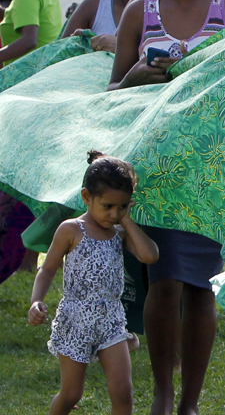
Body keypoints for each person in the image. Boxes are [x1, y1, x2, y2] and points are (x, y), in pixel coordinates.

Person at [107, 0, 225, 415]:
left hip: (214, 170)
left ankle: (189, 402)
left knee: (200, 291)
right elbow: (112, 94)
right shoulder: (138, 11)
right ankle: (162, 395)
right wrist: (136, 78)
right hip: (158, 168)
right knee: (162, 281)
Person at [28, 151, 159, 415]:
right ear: (87, 197)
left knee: (123, 393)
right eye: (108, 206)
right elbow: (48, 268)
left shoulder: (119, 232)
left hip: (110, 320)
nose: (114, 214)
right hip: (76, 320)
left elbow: (150, 255)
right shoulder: (71, 230)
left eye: (122, 207)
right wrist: (36, 301)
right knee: (71, 393)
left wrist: (127, 221)